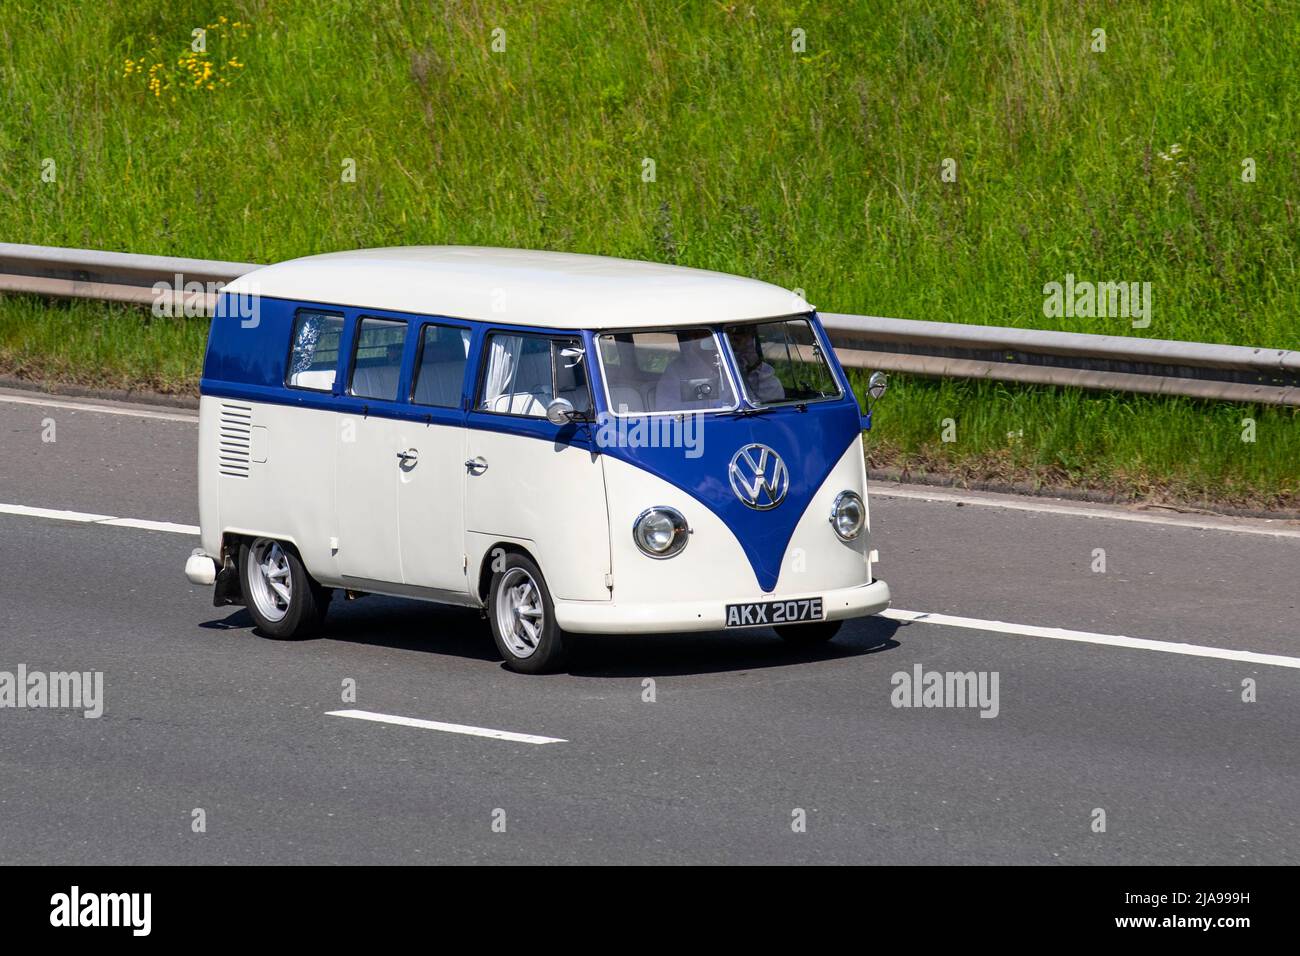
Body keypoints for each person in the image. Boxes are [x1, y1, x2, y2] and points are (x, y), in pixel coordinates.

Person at [730, 325, 785, 403]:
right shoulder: (715, 367)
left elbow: (774, 401)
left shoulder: (765, 375)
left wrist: (753, 364)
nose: (735, 344)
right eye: (734, 338)